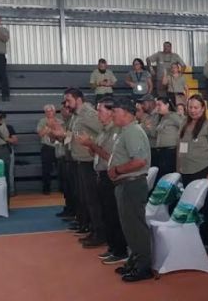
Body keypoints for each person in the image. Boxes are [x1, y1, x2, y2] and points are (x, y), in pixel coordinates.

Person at [77, 97, 129, 260]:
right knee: (106, 214)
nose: (97, 114)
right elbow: (99, 153)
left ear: (111, 111)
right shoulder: (104, 130)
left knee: (113, 214)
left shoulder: (116, 131)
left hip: (111, 176)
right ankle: (113, 247)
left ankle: (119, 250)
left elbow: (111, 157)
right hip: (101, 174)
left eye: (100, 110)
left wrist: (92, 145)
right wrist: (91, 147)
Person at [108, 97, 153, 282]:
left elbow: (139, 161)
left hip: (131, 184)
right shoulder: (125, 131)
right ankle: (135, 261)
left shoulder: (132, 131)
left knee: (135, 227)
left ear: (126, 113)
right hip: (126, 184)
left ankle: (143, 267)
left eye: (115, 111)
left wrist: (117, 169)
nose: (112, 115)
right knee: (129, 227)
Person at [60, 88, 104, 246]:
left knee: (92, 200)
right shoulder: (77, 116)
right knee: (84, 198)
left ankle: (99, 232)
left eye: (68, 100)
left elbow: (103, 131)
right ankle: (91, 227)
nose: (66, 104)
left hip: (88, 161)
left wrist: (90, 143)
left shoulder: (88, 114)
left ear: (78, 100)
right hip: (79, 159)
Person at [177, 94, 208, 250]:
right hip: (186, 171)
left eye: (196, 107)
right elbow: (180, 149)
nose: (193, 110)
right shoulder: (184, 124)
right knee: (190, 207)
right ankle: (193, 238)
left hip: (202, 170)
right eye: (190, 107)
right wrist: (178, 170)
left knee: (205, 207)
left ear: (203, 108)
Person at [148, 96, 183, 179]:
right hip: (161, 151)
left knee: (168, 175)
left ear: (167, 105)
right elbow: (153, 132)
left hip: (170, 151)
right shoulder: (160, 118)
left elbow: (183, 126)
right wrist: (154, 114)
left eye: (159, 105)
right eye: (156, 105)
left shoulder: (173, 116)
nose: (157, 107)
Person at [36, 104, 63, 195]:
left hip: (58, 146)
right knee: (46, 169)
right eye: (47, 111)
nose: (49, 113)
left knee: (61, 169)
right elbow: (40, 134)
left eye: (50, 110)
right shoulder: (42, 121)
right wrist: (48, 127)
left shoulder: (60, 121)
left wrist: (55, 127)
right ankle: (46, 189)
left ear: (54, 112)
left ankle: (63, 188)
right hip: (47, 147)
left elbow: (62, 134)